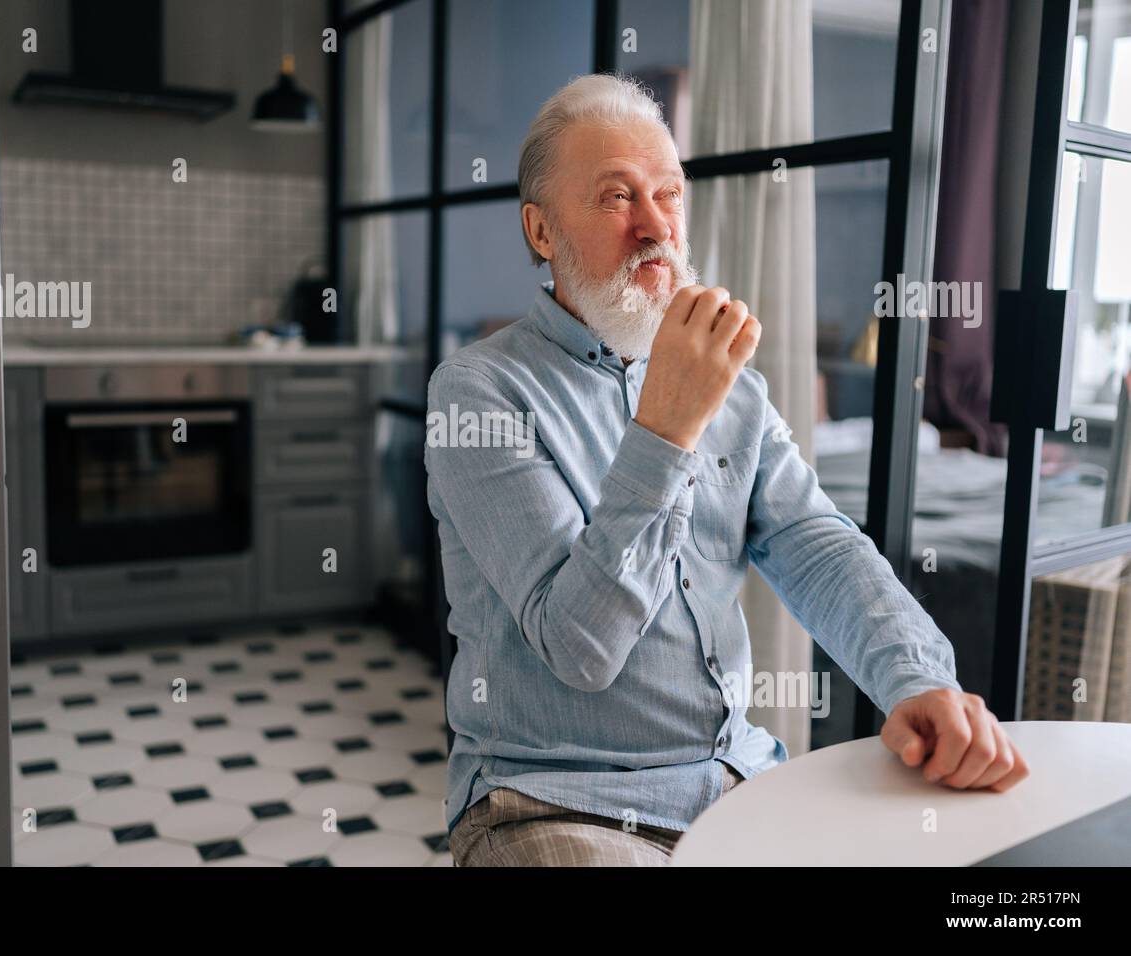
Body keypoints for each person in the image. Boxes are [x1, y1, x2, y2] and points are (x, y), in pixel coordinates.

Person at [426, 73, 1028, 867]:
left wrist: (916, 680)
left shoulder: (731, 385)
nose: (655, 227)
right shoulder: (476, 392)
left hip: (737, 782)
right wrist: (668, 428)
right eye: (617, 197)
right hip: (554, 800)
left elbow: (818, 543)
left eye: (668, 195)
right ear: (542, 231)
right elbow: (580, 647)